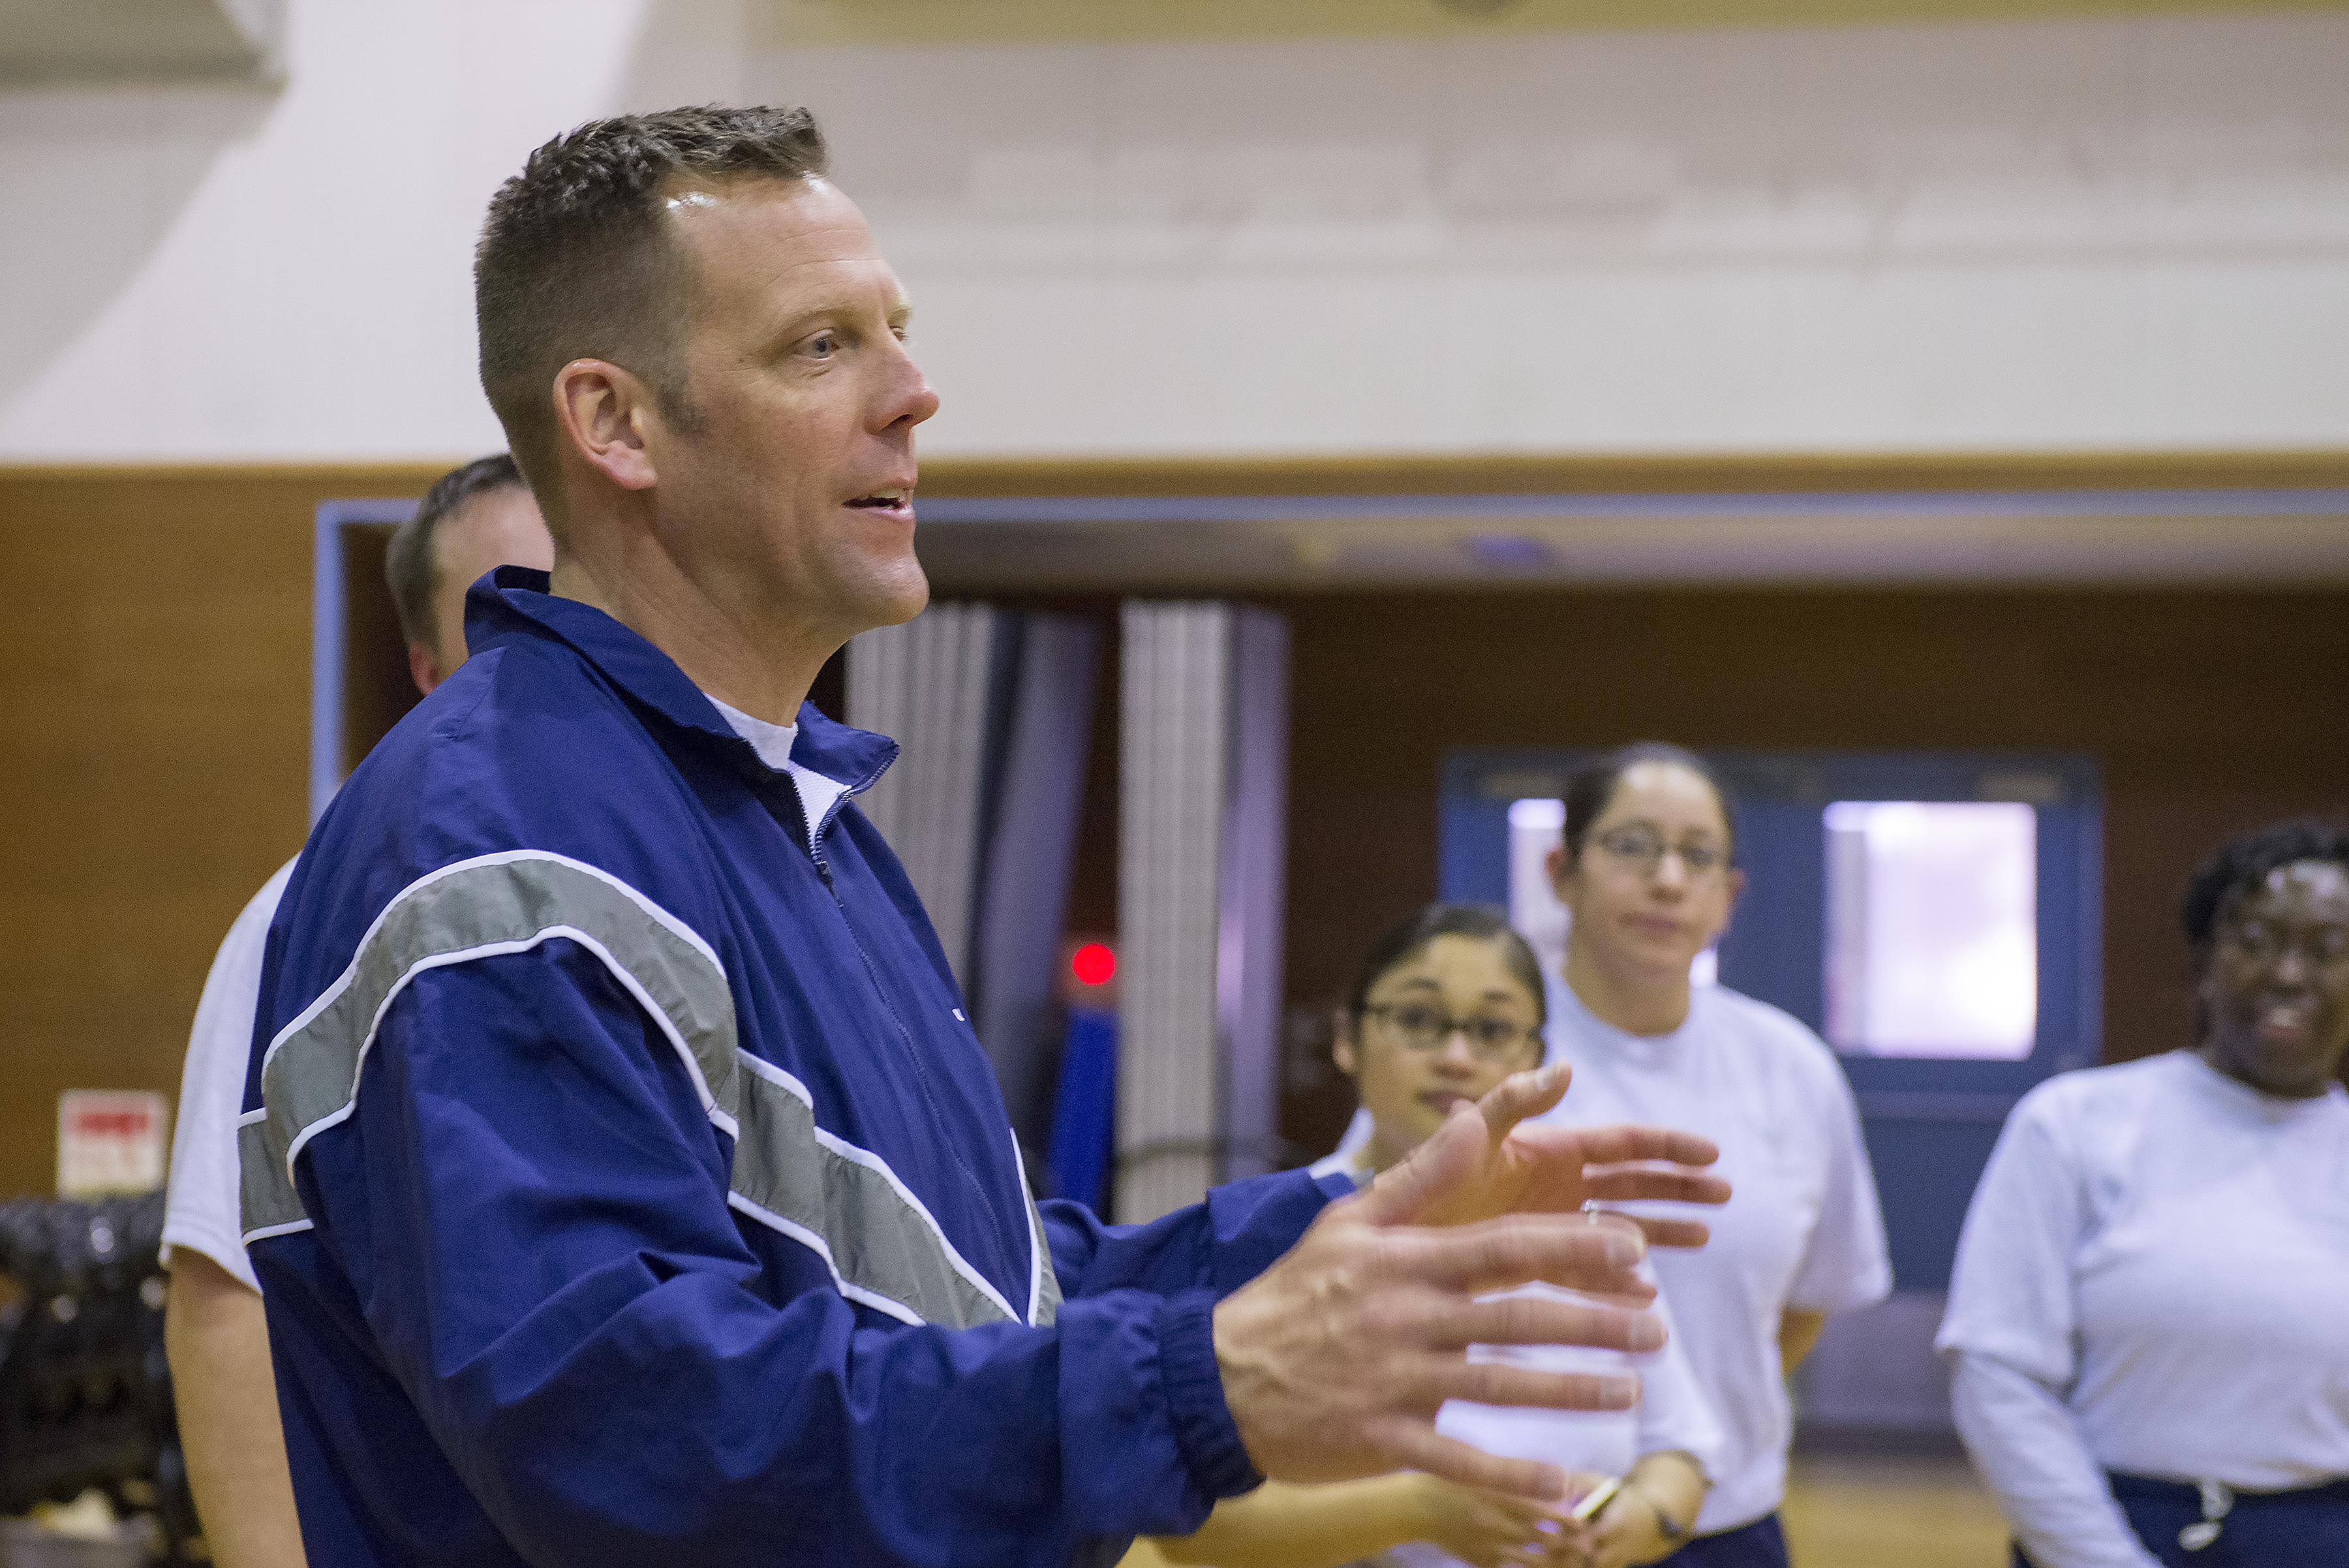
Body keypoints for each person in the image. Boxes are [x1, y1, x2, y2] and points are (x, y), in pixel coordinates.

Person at [235, 106, 1729, 1568]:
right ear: (614, 421)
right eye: (822, 345)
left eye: (897, 331)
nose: (914, 392)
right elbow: (641, 1446)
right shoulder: (497, 857)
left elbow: (979, 1294)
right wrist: (1200, 1387)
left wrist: (1336, 1228)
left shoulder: (794, 821)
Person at [1337, 746, 1887, 1564]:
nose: (1668, 879)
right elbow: (1369, 1239)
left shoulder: (1793, 1068)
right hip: (1502, 1529)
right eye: (1632, 846)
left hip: (1718, 1515)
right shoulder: (1484, 1045)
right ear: (1563, 873)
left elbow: (1809, 1300)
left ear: (1729, 897)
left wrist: (1676, 1446)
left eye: (1698, 856)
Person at [161, 453, 553, 1568]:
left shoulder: (697, 887)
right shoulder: (314, 916)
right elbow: (225, 1288)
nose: (558, 645)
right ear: (430, 670)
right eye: (506, 611)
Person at [1148, 904, 1720, 1568]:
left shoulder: (1580, 1233)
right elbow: (1193, 1526)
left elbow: (1680, 1448)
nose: (1455, 1058)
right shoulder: (1265, 1229)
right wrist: (1421, 1510)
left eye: (1492, 1029)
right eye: (1417, 1020)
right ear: (1347, 1038)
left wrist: (1641, 1520)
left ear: (1535, 1058)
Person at [1937, 818, 2349, 1568]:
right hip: (2106, 1531)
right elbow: (2000, 1378)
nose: (2289, 974)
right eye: (2256, 940)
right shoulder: (2074, 1124)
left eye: (2327, 950)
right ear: (2204, 961)